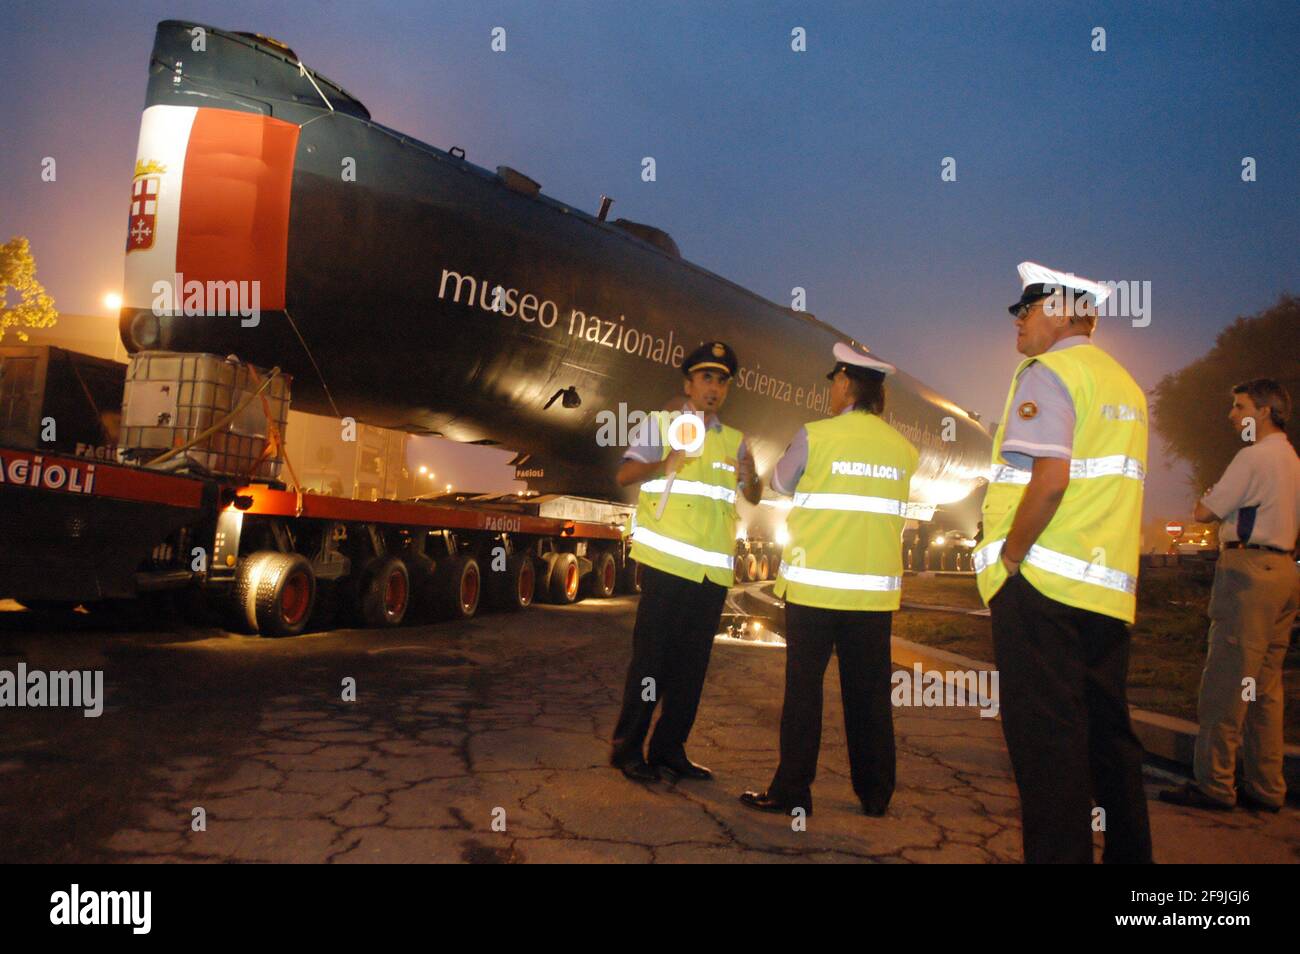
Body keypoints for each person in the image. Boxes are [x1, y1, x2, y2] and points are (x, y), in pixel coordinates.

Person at [972, 261, 1153, 863]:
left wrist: (1011, 554)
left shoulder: (1048, 373)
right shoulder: (1125, 386)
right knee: (1109, 742)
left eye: (1025, 310)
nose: (1018, 323)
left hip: (1044, 587)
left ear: (1058, 310)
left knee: (1049, 750)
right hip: (1106, 595)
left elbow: (1049, 481)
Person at [740, 342, 917, 817]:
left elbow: (780, 482)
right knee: (870, 697)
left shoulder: (815, 436)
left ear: (844, 385)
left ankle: (792, 790)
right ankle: (876, 794)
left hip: (814, 593)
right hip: (872, 600)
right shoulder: (903, 450)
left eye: (833, 383)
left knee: (804, 693)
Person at [610, 341, 761, 783]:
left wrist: (750, 476)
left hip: (711, 574)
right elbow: (624, 474)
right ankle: (627, 749)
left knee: (691, 671)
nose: (714, 387)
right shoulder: (661, 424)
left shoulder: (736, 441)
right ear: (689, 384)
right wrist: (665, 462)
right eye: (706, 378)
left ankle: (670, 748)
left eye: (721, 380)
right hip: (666, 567)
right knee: (650, 664)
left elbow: (754, 494)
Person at [1160, 379, 1299, 812]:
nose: (1232, 416)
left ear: (1263, 412)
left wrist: (1207, 499)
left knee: (1226, 682)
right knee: (1264, 688)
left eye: (1239, 407)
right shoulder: (1292, 459)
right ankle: (1267, 787)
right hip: (1284, 573)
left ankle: (1216, 786)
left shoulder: (1253, 456)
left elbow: (1205, 511)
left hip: (1248, 574)